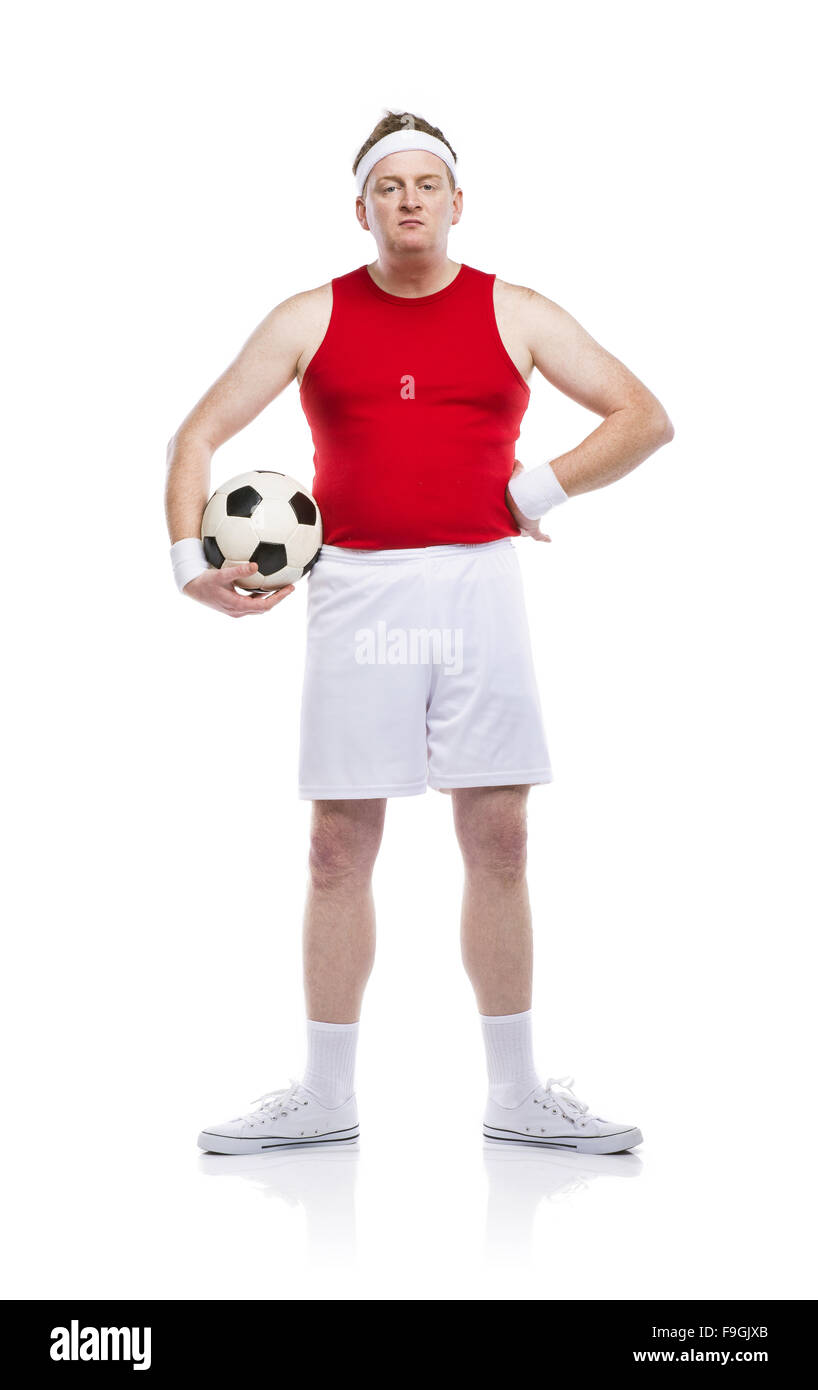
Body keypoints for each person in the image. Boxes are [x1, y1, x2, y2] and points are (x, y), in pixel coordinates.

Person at [165, 110, 674, 1157]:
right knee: (334, 849)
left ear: (454, 201)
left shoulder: (515, 310)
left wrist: (530, 485)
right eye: (387, 186)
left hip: (478, 587)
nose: (408, 201)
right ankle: (324, 1093)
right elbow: (198, 433)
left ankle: (516, 1091)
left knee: (498, 837)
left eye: (425, 184)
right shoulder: (308, 315)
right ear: (361, 208)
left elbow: (640, 415)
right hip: (354, 589)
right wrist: (188, 568)